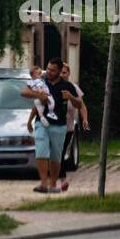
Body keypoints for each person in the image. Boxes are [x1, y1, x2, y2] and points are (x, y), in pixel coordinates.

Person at [21, 58, 83, 194]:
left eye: (52, 70)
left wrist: (71, 98)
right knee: (41, 151)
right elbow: (24, 92)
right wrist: (38, 94)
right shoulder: (40, 81)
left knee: (56, 156)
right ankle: (43, 184)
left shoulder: (67, 86)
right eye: (48, 69)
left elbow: (79, 104)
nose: (48, 72)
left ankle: (53, 184)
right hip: (41, 123)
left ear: (60, 71)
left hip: (60, 126)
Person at [56, 63, 89, 192]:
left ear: (68, 74)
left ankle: (61, 179)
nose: (62, 75)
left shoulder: (73, 88)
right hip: (54, 125)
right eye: (60, 72)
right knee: (58, 152)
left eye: (64, 72)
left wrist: (85, 119)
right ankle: (62, 179)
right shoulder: (53, 86)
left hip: (68, 127)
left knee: (61, 152)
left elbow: (82, 106)